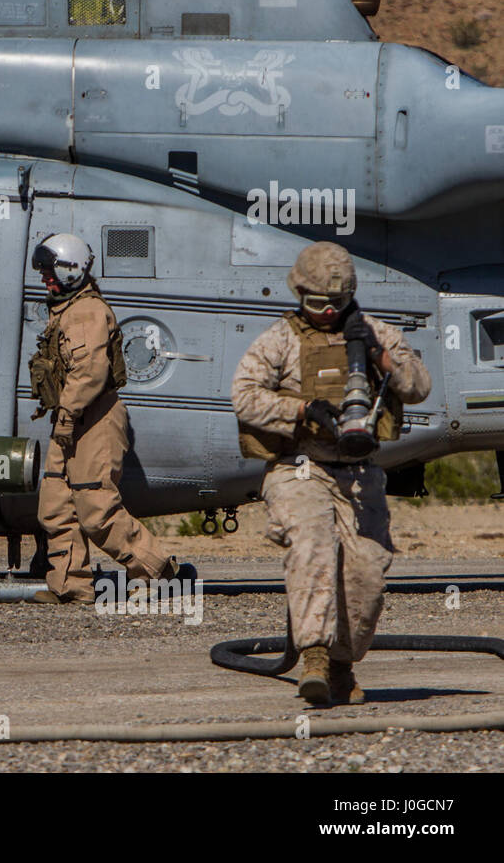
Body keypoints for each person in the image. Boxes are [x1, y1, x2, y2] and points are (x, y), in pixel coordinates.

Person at [232, 241, 431, 706]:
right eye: (315, 302)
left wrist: (380, 356)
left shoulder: (377, 334)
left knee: (368, 571)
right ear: (298, 294)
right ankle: (315, 659)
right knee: (313, 545)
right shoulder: (279, 339)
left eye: (336, 304)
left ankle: (342, 665)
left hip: (360, 473)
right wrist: (301, 409)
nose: (325, 312)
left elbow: (419, 386)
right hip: (299, 469)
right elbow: (244, 395)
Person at [27, 234, 186, 604]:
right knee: (56, 503)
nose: (45, 279)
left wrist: (66, 414)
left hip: (93, 418)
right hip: (71, 417)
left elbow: (90, 373)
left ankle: (159, 570)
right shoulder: (67, 310)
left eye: (50, 272)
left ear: (71, 270)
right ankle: (69, 585)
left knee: (95, 508)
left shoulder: (87, 312)